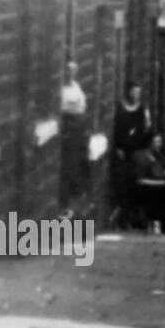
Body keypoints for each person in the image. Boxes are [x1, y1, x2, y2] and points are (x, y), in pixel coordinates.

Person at [113, 83, 153, 228]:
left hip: (137, 151)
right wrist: (119, 146)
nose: (137, 94)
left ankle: (135, 217)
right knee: (124, 184)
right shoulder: (121, 108)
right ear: (129, 92)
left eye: (139, 92)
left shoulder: (143, 110)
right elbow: (118, 128)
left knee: (136, 183)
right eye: (134, 91)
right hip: (125, 151)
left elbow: (147, 128)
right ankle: (124, 217)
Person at [58, 60, 89, 216]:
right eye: (69, 70)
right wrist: (74, 107)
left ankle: (72, 205)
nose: (72, 73)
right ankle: (65, 203)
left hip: (77, 129)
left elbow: (82, 106)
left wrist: (74, 106)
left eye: (74, 70)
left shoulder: (76, 86)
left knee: (76, 165)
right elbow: (64, 107)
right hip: (68, 128)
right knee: (67, 166)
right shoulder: (62, 88)